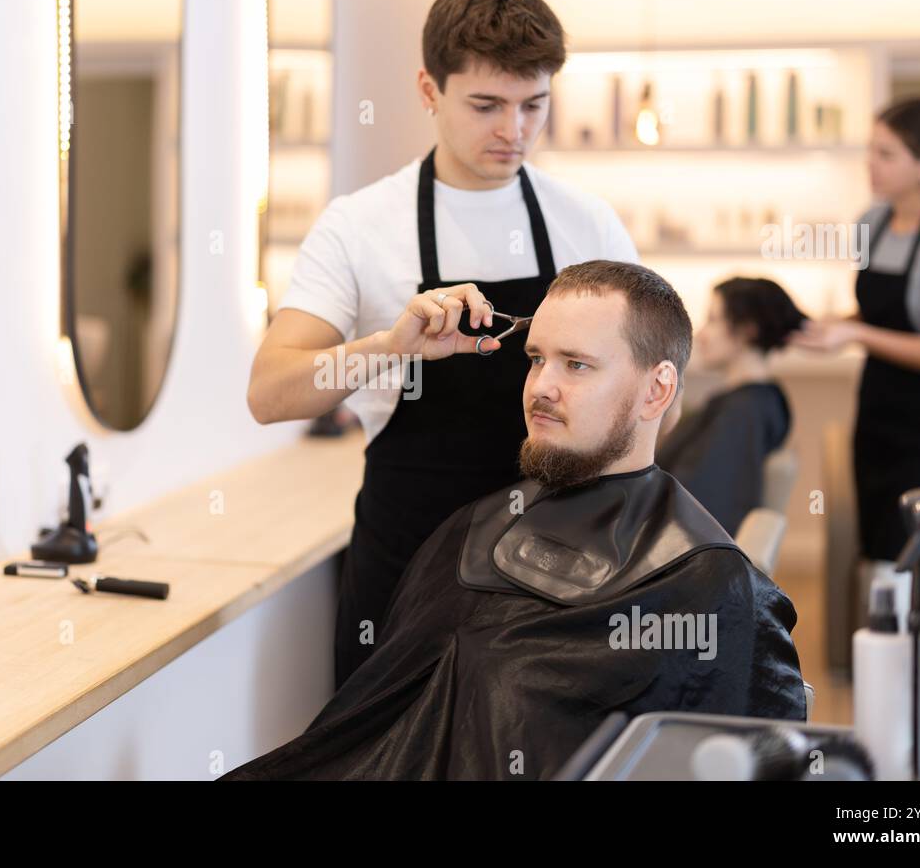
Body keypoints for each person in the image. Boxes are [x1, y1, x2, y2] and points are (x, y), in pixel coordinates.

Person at [224, 261, 806, 780]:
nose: (541, 387)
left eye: (576, 365)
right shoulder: (474, 528)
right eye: (536, 359)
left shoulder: (708, 586)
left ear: (658, 391)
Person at [247, 0, 638, 687]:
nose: (513, 130)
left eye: (534, 106)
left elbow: (645, 392)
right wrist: (387, 348)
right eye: (486, 106)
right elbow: (270, 394)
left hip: (559, 565)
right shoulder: (360, 225)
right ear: (429, 89)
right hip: (408, 565)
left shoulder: (589, 223)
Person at [790, 97, 920, 627]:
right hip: (881, 407)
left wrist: (857, 333)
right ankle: (886, 670)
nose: (870, 163)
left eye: (886, 153)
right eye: (870, 150)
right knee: (880, 548)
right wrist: (839, 324)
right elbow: (882, 315)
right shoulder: (873, 222)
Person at [657, 277, 806, 535]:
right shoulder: (752, 403)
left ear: (748, 330)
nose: (701, 334)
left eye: (713, 320)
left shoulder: (744, 411)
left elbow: (707, 509)